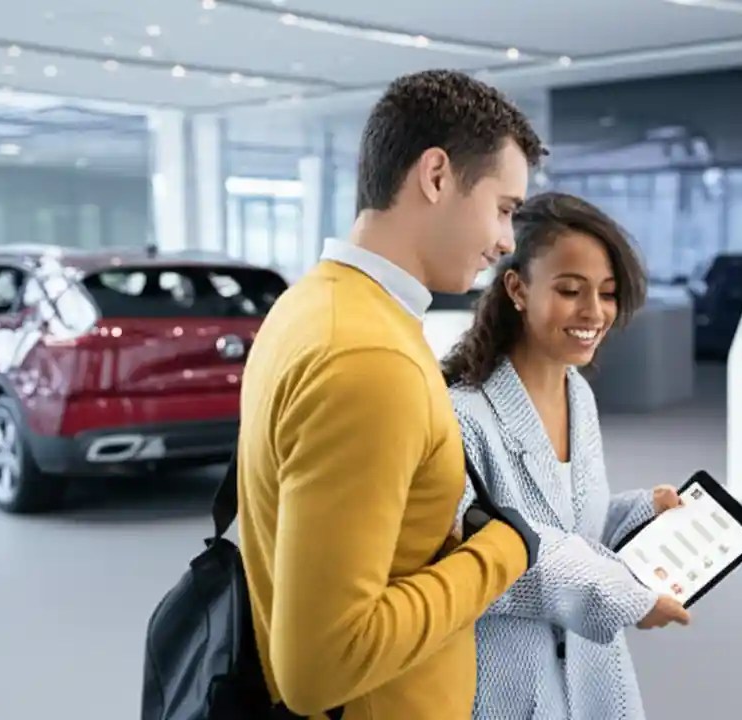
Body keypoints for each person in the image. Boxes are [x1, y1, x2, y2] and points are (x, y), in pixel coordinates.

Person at [235, 70, 547, 720]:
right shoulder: (368, 357)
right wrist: (500, 552)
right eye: (503, 208)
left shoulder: (312, 306)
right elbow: (320, 666)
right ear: (436, 176)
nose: (507, 241)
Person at [441, 192, 692, 720]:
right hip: (505, 683)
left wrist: (640, 511)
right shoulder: (462, 416)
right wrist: (618, 597)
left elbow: (570, 527)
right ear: (516, 287)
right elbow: (477, 560)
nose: (594, 313)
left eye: (607, 293)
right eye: (570, 290)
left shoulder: (578, 395)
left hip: (591, 680)